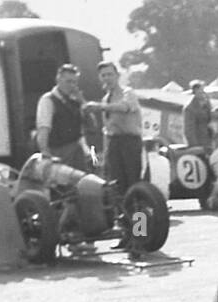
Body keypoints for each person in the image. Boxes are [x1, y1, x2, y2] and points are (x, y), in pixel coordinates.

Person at [86, 61, 144, 203]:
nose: (107, 78)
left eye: (110, 74)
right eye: (103, 75)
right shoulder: (106, 99)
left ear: (117, 75)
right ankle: (125, 220)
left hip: (129, 141)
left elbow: (125, 107)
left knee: (134, 183)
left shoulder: (127, 93)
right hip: (113, 143)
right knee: (117, 184)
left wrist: (101, 107)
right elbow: (108, 128)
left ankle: (140, 224)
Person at [35, 64, 91, 171]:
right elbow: (43, 130)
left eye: (74, 82)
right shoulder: (48, 100)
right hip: (59, 152)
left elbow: (92, 125)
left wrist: (82, 102)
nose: (72, 85)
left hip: (77, 151)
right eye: (68, 81)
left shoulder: (75, 101)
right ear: (58, 79)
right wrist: (46, 154)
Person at [183, 80, 214, 151]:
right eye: (201, 90)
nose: (204, 93)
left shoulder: (206, 104)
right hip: (198, 142)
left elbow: (209, 120)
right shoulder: (190, 108)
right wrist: (194, 145)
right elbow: (189, 129)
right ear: (196, 91)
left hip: (207, 140)